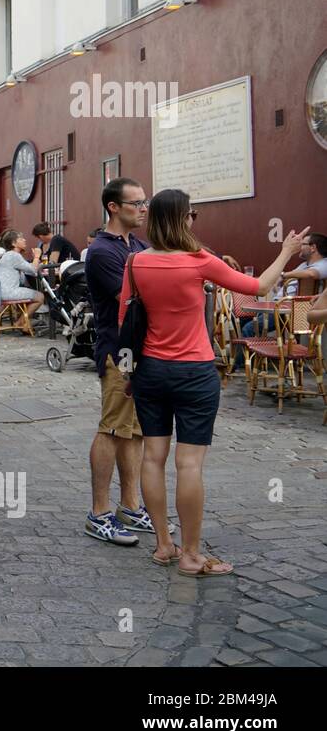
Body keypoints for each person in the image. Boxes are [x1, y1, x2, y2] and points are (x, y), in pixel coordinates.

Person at [123, 190, 309, 576]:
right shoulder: (199, 261)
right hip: (194, 371)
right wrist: (286, 252)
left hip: (151, 371)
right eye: (190, 214)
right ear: (182, 219)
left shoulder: (135, 262)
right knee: (189, 464)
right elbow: (258, 288)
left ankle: (163, 545)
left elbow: (128, 312)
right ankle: (191, 555)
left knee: (152, 458)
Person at [83, 177, 153, 545]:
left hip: (141, 350)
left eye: (144, 202)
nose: (143, 208)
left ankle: (130, 505)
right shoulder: (102, 251)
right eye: (135, 203)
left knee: (134, 430)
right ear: (113, 207)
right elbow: (133, 296)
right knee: (112, 428)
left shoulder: (140, 244)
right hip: (118, 350)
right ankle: (99, 513)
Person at [0, 229, 44, 320]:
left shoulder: (8, 255)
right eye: (21, 238)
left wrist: (34, 262)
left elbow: (26, 272)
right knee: (40, 296)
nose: (24, 240)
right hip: (8, 292)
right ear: (14, 244)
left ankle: (24, 323)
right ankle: (21, 323)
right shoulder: (14, 255)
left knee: (27, 290)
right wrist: (36, 256)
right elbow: (32, 270)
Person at [281, 232, 327, 296]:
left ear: (313, 248)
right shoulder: (304, 265)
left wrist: (283, 275)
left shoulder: (325, 263)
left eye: (303, 244)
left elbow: (312, 274)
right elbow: (289, 277)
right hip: (280, 301)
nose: (299, 247)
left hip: (294, 304)